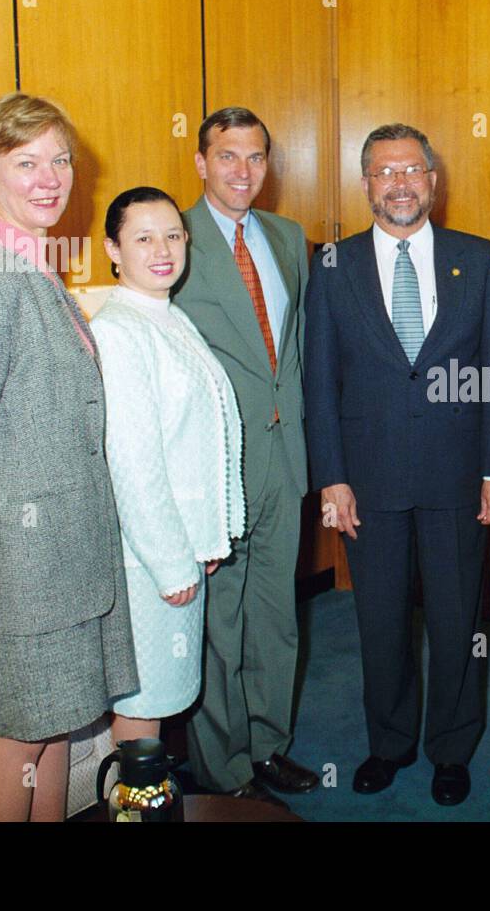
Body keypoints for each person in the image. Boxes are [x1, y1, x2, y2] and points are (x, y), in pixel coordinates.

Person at [0, 93, 138, 821]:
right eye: (26, 163)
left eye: (60, 160)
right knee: (19, 738)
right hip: (24, 567)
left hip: (60, 561)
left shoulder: (34, 272)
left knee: (53, 730)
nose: (50, 178)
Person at [304, 123, 490, 806]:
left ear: (433, 179)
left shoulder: (479, 260)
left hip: (457, 481)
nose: (399, 183)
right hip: (369, 481)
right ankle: (388, 744)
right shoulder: (331, 265)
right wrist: (332, 478)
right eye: (384, 172)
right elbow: (320, 381)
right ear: (365, 185)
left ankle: (452, 748)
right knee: (380, 623)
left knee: (457, 622)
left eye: (412, 170)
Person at [172, 108, 317, 802]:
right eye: (227, 156)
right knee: (219, 620)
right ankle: (222, 769)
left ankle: (268, 745)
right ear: (201, 163)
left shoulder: (289, 238)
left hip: (282, 454)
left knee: (274, 610)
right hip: (214, 462)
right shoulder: (174, 239)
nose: (242, 171)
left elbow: (295, 353)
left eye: (256, 157)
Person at [90, 187, 245, 751]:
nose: (163, 249)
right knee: (143, 703)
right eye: (143, 237)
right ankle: (134, 811)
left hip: (182, 550)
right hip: (149, 562)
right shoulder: (119, 330)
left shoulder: (167, 315)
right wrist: (172, 564)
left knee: (161, 699)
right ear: (113, 248)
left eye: (174, 235)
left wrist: (205, 539)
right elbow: (133, 464)